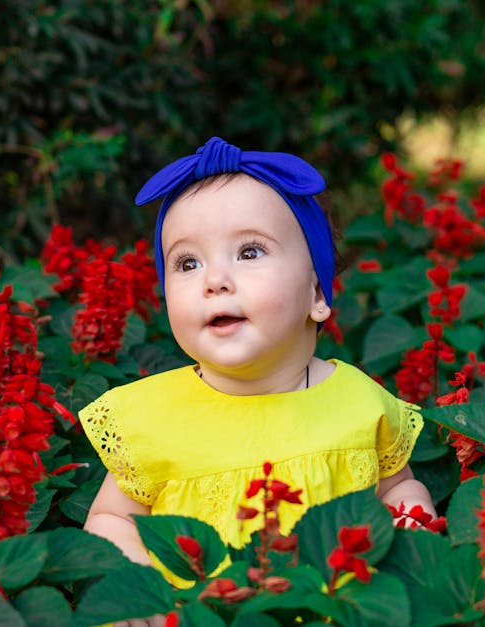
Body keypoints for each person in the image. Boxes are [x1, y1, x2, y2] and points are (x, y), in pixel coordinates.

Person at [78, 137, 437, 583]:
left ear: (317, 293)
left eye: (249, 252)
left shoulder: (360, 403)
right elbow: (114, 521)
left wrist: (412, 540)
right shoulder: (150, 418)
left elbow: (398, 487)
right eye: (187, 263)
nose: (214, 280)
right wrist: (134, 592)